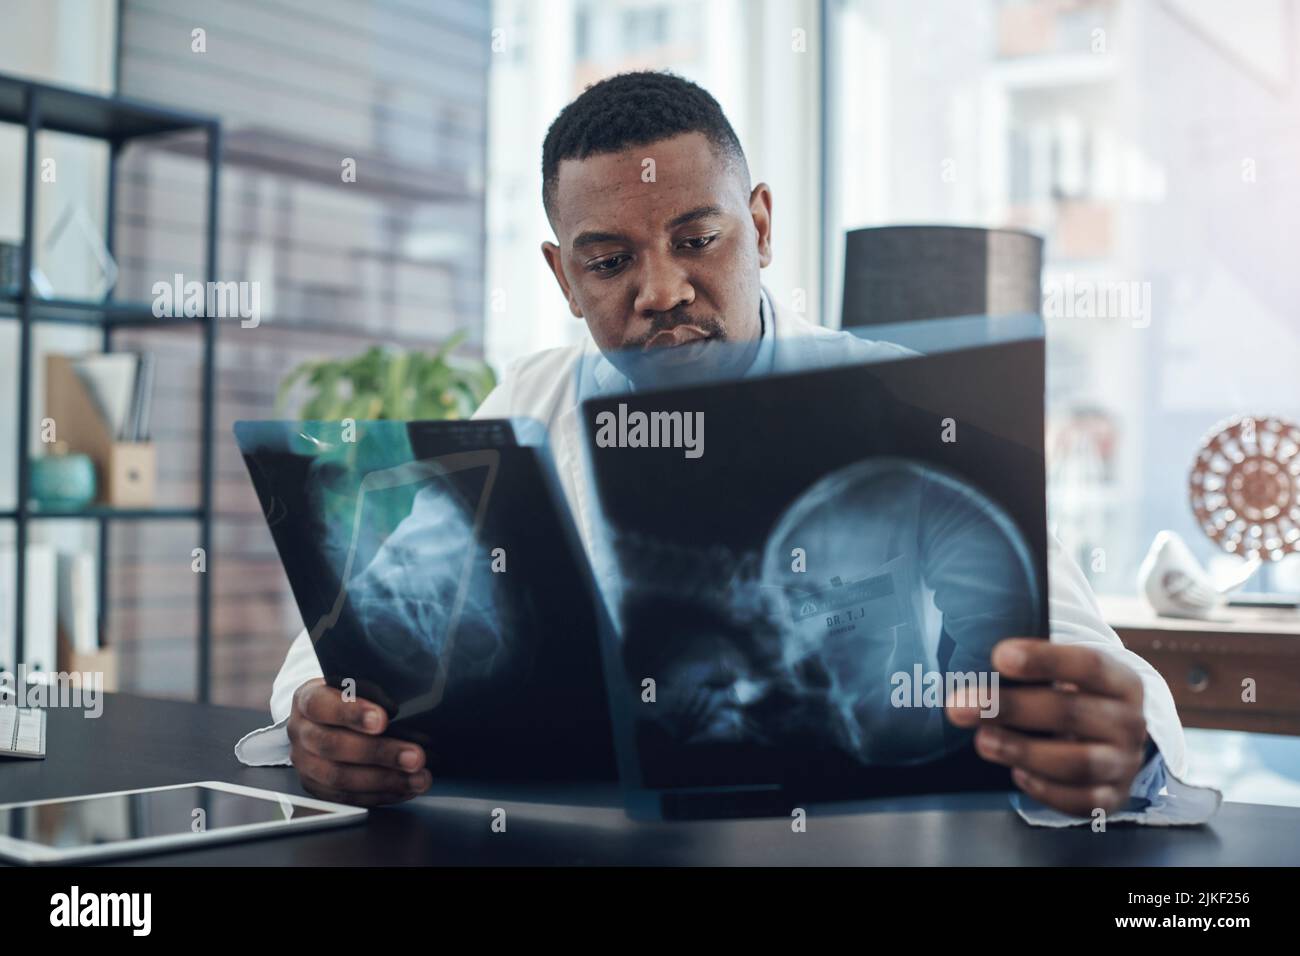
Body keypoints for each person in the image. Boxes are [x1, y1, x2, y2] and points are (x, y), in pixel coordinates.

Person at [236, 71, 1188, 820]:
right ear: (564, 278)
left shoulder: (909, 401)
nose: (660, 291)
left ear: (761, 226)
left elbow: (1098, 666)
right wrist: (316, 721)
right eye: (608, 261)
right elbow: (337, 646)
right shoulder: (528, 402)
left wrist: (1121, 743)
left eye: (698, 238)